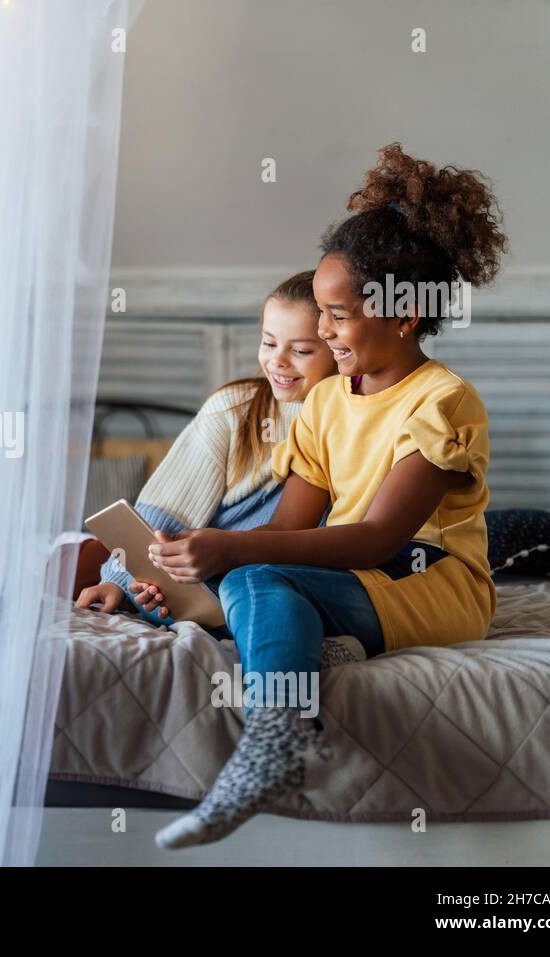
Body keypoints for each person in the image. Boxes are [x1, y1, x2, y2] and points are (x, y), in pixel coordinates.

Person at [151, 143, 505, 849]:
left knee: (255, 570)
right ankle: (313, 655)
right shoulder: (324, 406)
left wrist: (234, 550)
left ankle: (276, 738)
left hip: (428, 582)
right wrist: (189, 577)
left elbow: (380, 539)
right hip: (355, 578)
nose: (320, 330)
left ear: (403, 316)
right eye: (320, 311)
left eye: (337, 315)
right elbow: (288, 531)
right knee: (251, 576)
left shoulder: (442, 401)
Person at [74, 270, 337, 626]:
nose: (278, 361)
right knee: (76, 560)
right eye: (268, 343)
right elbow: (164, 512)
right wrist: (118, 582)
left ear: (339, 349)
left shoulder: (353, 421)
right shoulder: (235, 407)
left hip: (270, 581)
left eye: (302, 350)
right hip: (190, 573)